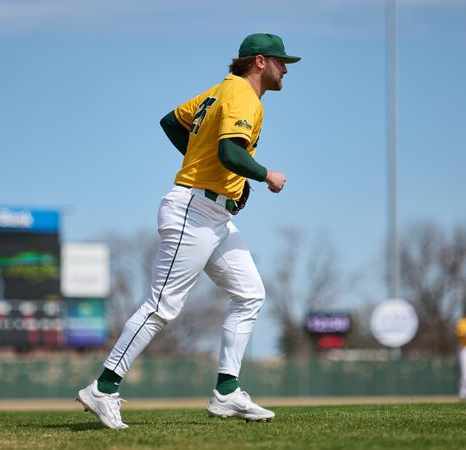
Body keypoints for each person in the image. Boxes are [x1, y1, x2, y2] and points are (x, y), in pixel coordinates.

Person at [75, 33, 301, 429]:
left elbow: (171, 122)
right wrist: (266, 175)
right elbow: (230, 152)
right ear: (260, 62)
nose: (286, 69)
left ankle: (227, 392)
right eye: (281, 62)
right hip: (192, 211)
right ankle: (103, 387)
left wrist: (213, 169)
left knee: (250, 294)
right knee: (162, 305)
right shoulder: (243, 96)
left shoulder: (218, 92)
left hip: (213, 214)